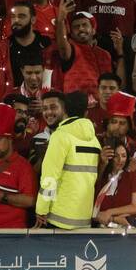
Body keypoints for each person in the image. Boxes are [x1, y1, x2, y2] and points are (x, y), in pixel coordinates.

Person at [36, 90, 100, 229]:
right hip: (83, 219)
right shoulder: (94, 140)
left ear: (64, 110)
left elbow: (50, 178)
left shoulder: (60, 137)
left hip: (57, 219)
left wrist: (41, 209)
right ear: (86, 113)